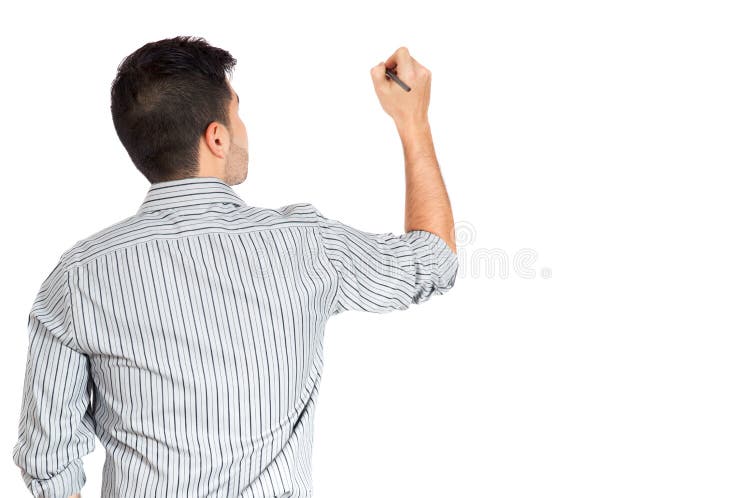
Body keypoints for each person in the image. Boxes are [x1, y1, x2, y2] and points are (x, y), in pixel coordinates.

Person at [11, 36, 457, 498]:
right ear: (216, 137)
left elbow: (48, 460)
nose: (244, 128)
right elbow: (433, 261)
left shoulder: (77, 279)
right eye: (237, 111)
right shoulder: (304, 245)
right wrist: (413, 120)